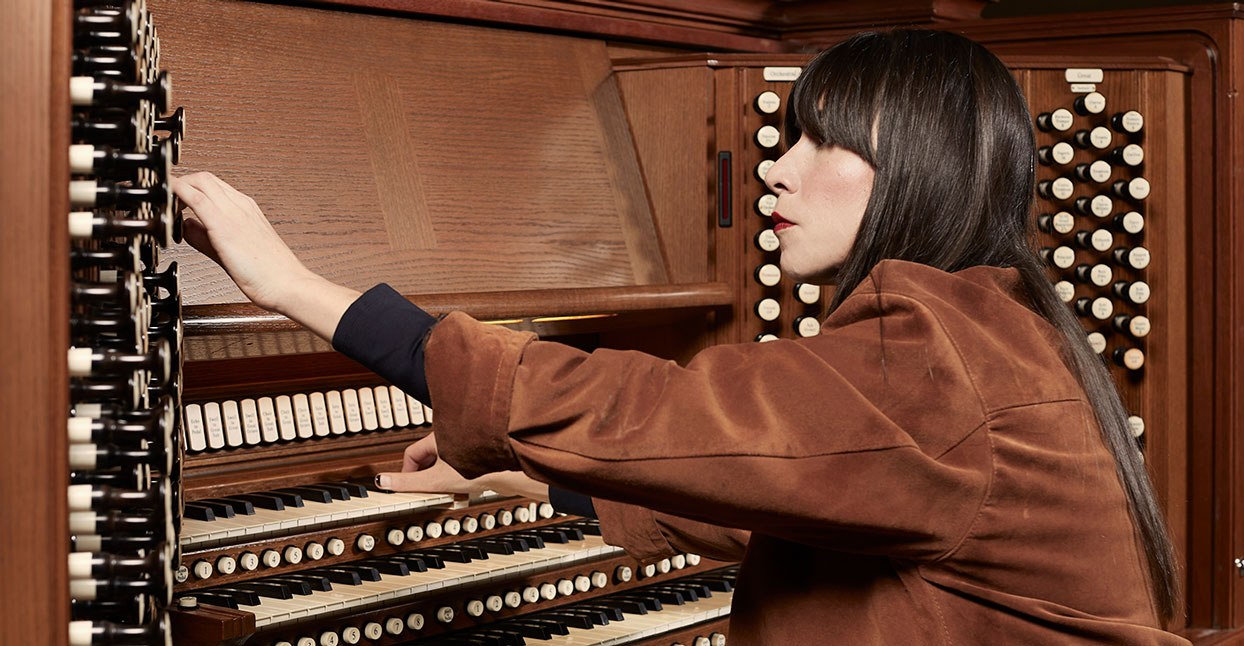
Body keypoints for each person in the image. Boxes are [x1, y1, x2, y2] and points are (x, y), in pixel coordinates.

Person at [171, 29, 1187, 645]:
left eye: (819, 141)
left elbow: (662, 411)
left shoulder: (937, 354)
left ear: (914, 170)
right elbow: (786, 499)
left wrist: (290, 281)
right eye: (783, 135)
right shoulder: (992, 326)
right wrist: (528, 480)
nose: (776, 170)